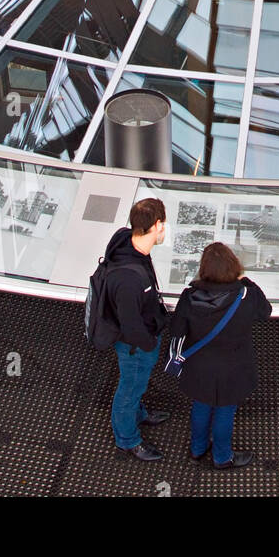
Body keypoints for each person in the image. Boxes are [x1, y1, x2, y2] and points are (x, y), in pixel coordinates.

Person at [170, 241, 272, 469]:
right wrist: (247, 282)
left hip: (198, 366)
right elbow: (266, 312)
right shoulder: (246, 296)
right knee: (225, 410)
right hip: (233, 367)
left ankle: (197, 448)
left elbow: (176, 329)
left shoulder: (189, 297)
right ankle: (222, 456)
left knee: (201, 405)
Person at [104, 196, 171, 462]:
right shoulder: (128, 280)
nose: (165, 229)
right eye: (163, 224)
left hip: (141, 337)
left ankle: (139, 413)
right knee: (129, 388)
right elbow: (131, 326)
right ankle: (127, 440)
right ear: (155, 225)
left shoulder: (128, 243)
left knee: (136, 384)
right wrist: (149, 343)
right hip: (135, 345)